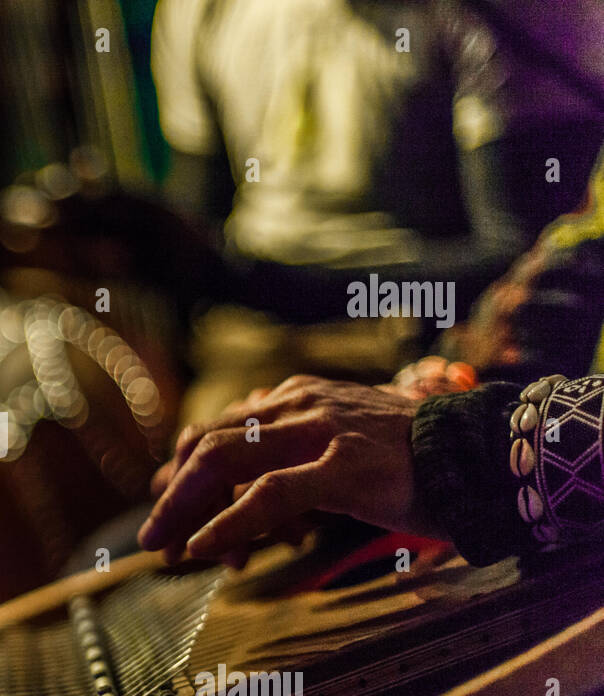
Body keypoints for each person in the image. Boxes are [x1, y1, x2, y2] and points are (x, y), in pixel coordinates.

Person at [138, 146, 604, 568]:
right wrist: (420, 402)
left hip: (385, 327)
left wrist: (464, 446)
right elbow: (582, 251)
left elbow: (500, 246)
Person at [150, 0, 604, 421]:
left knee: (241, 443)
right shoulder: (199, 10)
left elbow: (522, 264)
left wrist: (271, 288)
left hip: (415, 329)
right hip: (245, 329)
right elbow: (198, 225)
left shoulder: (501, 16)